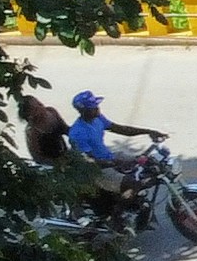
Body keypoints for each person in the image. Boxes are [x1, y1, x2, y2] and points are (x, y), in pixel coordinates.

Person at [66, 90, 168, 218]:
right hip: (97, 170)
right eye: (93, 107)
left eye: (97, 105)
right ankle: (115, 218)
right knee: (132, 184)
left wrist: (149, 132)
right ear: (83, 111)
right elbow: (89, 161)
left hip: (110, 157)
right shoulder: (78, 132)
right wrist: (116, 163)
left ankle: (134, 203)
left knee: (150, 164)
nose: (97, 109)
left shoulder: (98, 118)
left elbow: (121, 129)